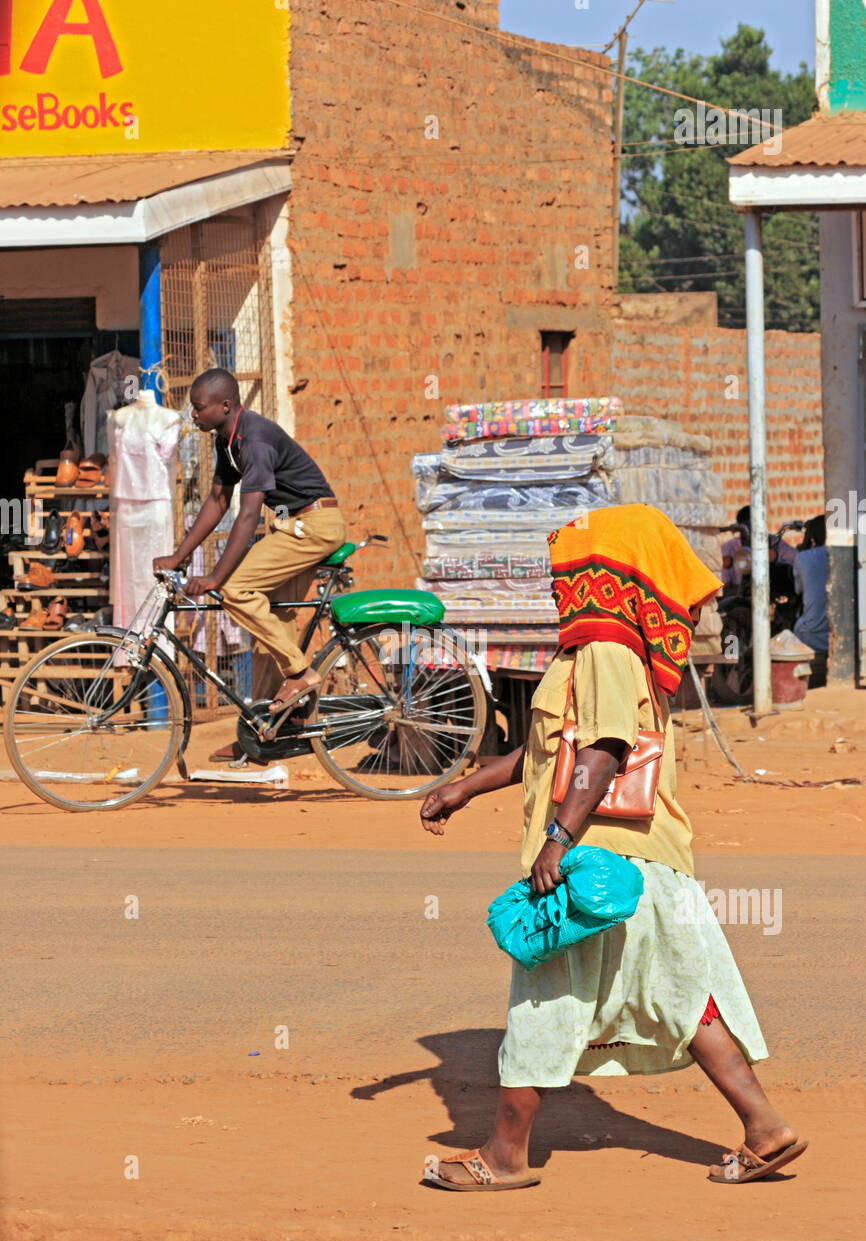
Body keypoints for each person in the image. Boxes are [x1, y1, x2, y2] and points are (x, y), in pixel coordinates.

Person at [419, 504, 806, 1191]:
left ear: (602, 577)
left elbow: (601, 751)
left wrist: (557, 840)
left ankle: (506, 1156)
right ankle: (765, 1127)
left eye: (567, 572)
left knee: (543, 1000)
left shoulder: (604, 650)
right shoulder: (619, 653)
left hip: (600, 864)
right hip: (650, 865)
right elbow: (547, 754)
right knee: (686, 999)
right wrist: (466, 788)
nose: (556, 586)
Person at [152, 370, 347, 752]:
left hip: (314, 524)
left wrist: (215, 578)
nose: (192, 414)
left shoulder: (253, 438)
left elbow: (248, 514)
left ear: (225, 406)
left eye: (198, 407)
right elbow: (217, 501)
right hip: (295, 525)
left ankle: (300, 673)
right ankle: (261, 732)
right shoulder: (226, 440)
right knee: (270, 627)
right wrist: (179, 556)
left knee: (235, 589)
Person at [793, 514, 829, 654]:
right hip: (846, 637)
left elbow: (798, 590)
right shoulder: (848, 555)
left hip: (810, 637)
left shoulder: (802, 558)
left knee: (798, 626)